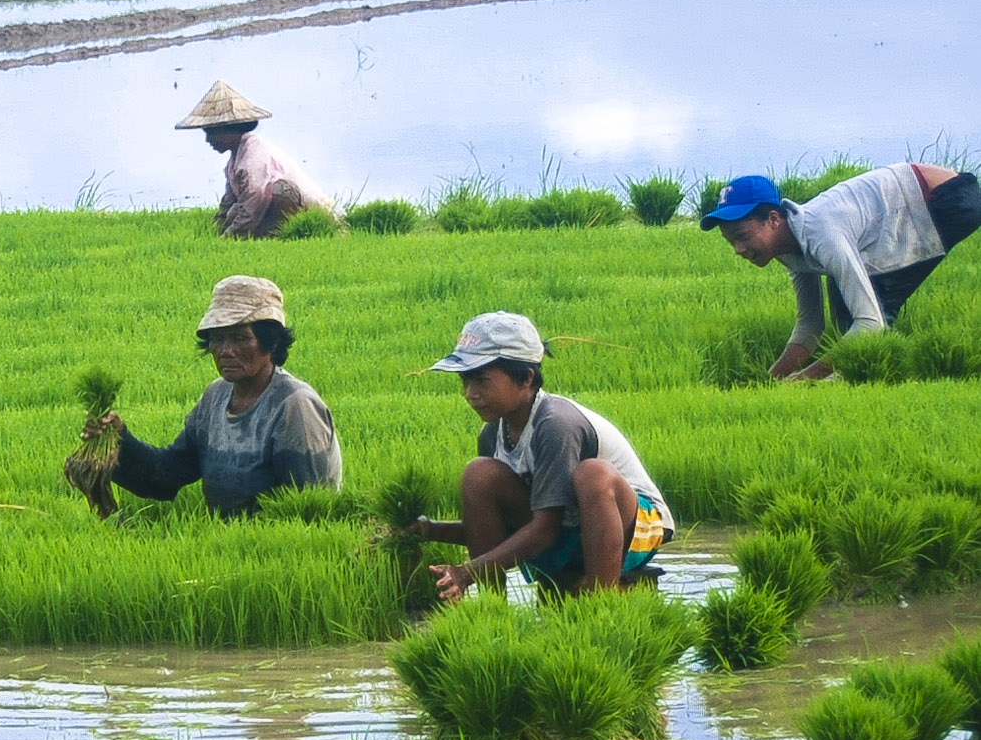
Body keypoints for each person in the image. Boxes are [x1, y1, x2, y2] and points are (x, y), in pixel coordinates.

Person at [410, 312, 675, 601]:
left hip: (634, 531)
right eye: (465, 382)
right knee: (479, 473)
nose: (470, 394)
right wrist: (429, 530)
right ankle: (493, 610)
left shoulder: (557, 425)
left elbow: (545, 529)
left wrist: (467, 572)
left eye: (482, 381)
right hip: (572, 530)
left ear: (526, 378)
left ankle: (602, 599)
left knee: (593, 474)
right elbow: (501, 530)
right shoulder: (491, 434)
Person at [89, 275, 343, 519]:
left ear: (271, 343)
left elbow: (311, 510)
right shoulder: (216, 396)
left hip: (271, 553)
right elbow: (167, 476)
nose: (226, 351)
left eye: (240, 338)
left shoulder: (294, 407)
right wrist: (117, 438)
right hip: (228, 545)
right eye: (218, 339)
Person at [701, 163, 979, 380]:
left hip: (947, 200)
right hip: (928, 197)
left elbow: (870, 323)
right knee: (849, 322)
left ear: (773, 220)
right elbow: (811, 326)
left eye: (742, 236)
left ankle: (878, 375)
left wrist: (806, 378)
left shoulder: (822, 233)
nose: (738, 249)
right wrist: (772, 379)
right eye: (731, 242)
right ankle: (867, 373)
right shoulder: (790, 249)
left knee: (864, 319)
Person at [175, 81, 318, 239]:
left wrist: (228, 238)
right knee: (234, 210)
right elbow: (229, 202)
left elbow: (253, 205)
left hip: (306, 209)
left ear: (230, 130)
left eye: (212, 134)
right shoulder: (235, 160)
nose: (208, 140)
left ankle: (290, 236)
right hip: (268, 208)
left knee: (281, 190)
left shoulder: (253, 159)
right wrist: (215, 229)